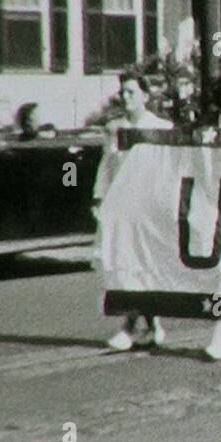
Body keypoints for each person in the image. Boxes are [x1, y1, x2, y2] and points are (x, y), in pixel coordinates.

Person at [93, 72, 174, 351]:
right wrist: (98, 197)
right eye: (123, 93)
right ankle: (147, 325)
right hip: (121, 209)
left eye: (131, 92)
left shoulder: (160, 127)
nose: (125, 97)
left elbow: (167, 170)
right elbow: (106, 164)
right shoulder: (115, 129)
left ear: (145, 96)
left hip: (148, 209)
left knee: (144, 267)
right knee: (123, 267)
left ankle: (133, 327)